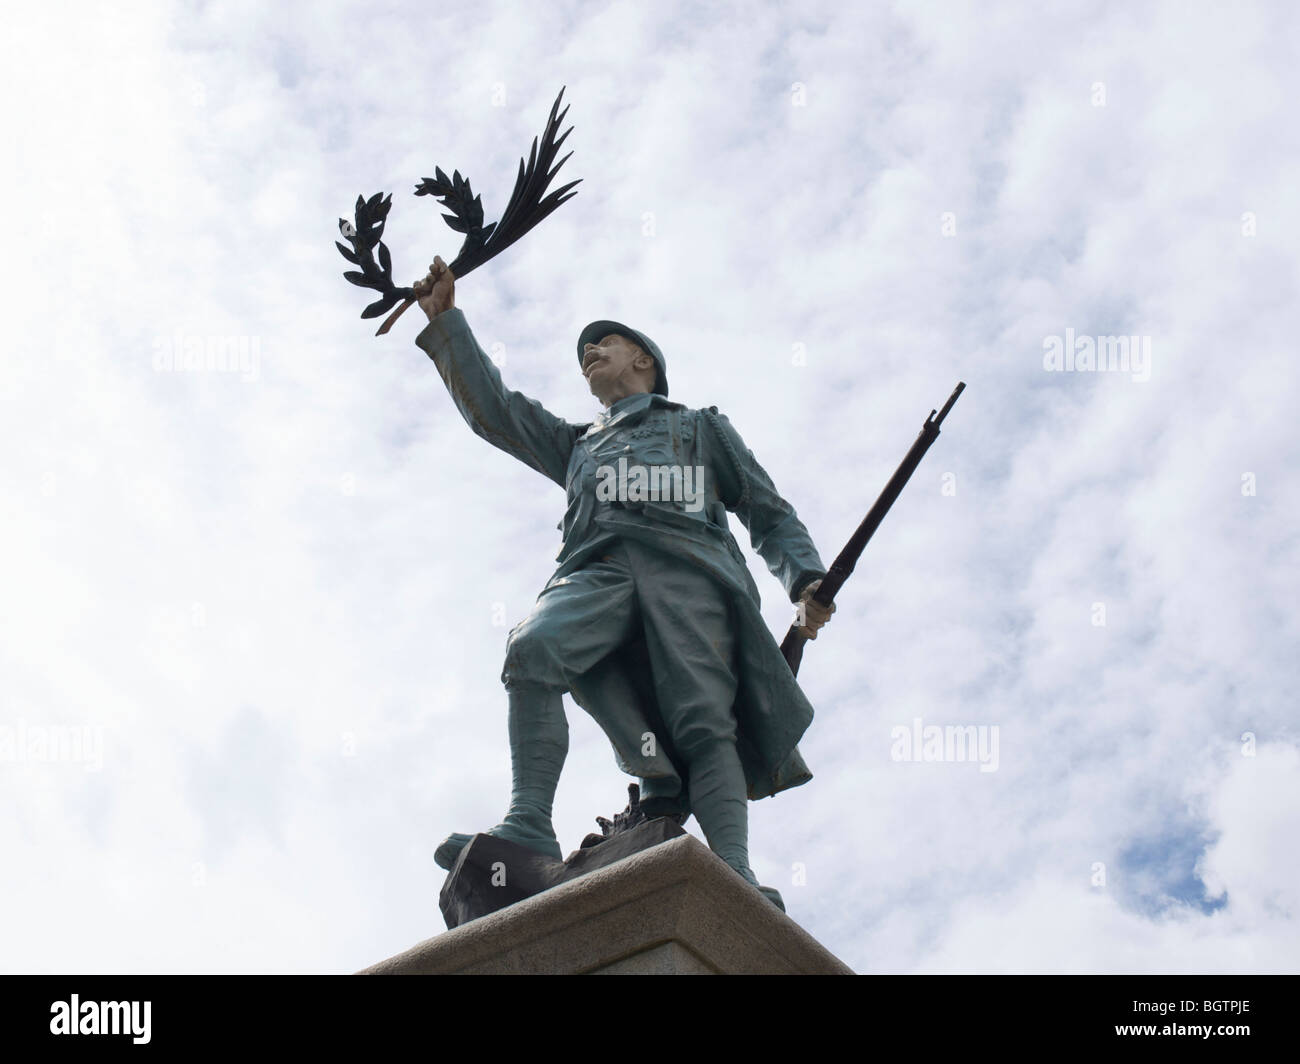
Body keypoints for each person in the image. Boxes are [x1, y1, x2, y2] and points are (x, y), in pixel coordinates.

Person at [411, 257, 833, 909]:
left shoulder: (698, 428)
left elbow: (766, 509)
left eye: (604, 343)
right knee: (533, 650)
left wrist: (804, 578)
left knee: (704, 726)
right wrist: (447, 322)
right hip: (597, 572)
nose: (589, 351)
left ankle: (733, 872)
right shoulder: (578, 444)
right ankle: (529, 822)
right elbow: (494, 411)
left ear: (643, 360)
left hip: (687, 574)